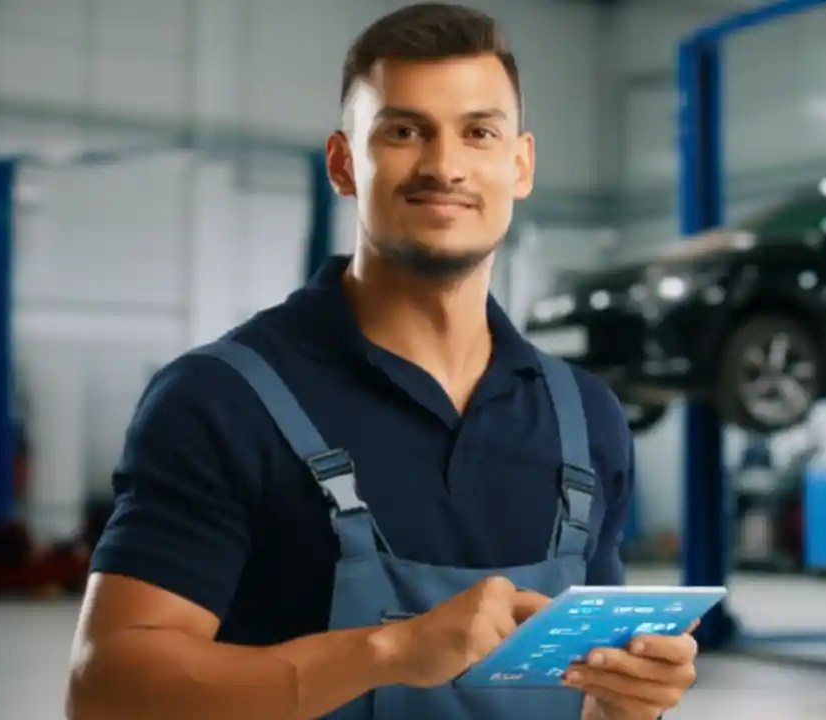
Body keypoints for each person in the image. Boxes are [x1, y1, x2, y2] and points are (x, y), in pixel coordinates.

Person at [64, 3, 701, 719]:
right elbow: (107, 692)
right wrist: (389, 653)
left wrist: (626, 700)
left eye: (478, 133)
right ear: (344, 163)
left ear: (519, 165)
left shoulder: (585, 418)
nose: (444, 166)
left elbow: (583, 697)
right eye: (404, 131)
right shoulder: (220, 401)